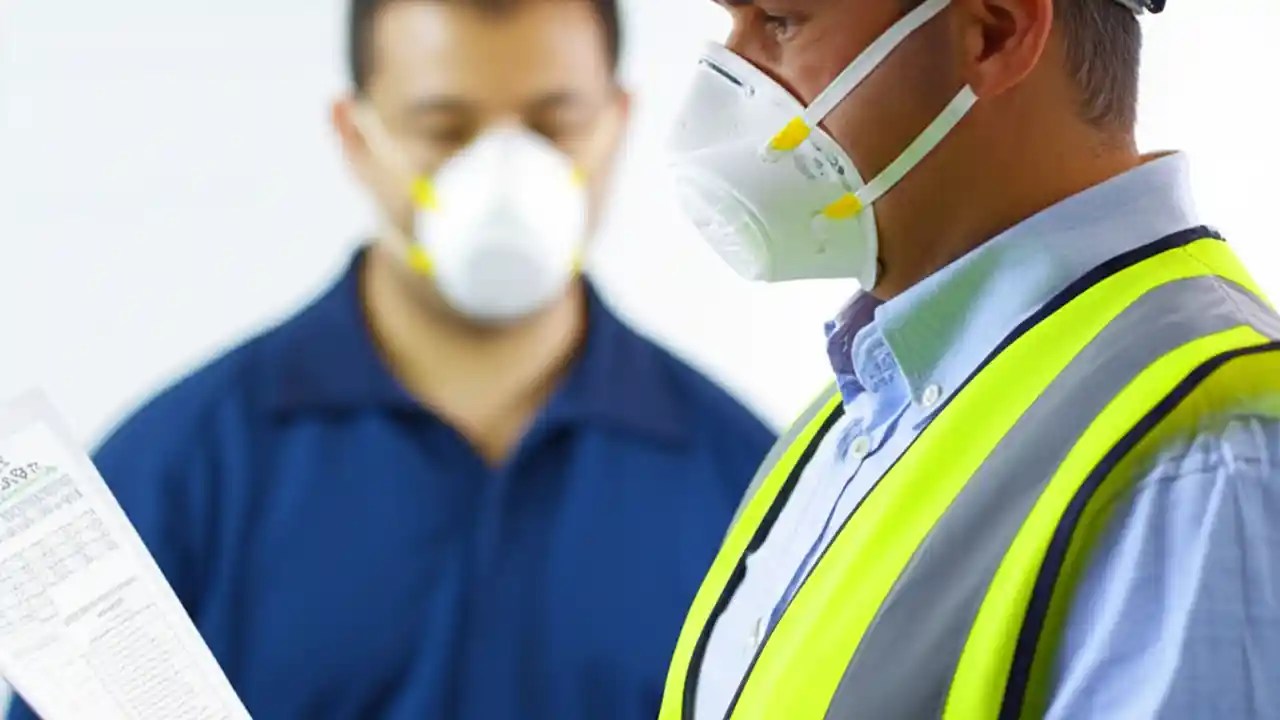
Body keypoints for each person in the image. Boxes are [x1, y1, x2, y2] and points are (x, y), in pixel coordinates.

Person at [5, 1, 776, 719]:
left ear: (619, 122)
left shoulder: (752, 491)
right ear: (354, 136)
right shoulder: (178, 476)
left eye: (554, 124)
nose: (506, 174)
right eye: (444, 130)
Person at [658, 0, 1280, 718]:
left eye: (779, 20)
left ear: (994, 33)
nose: (729, 76)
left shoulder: (1208, 454)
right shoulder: (858, 414)